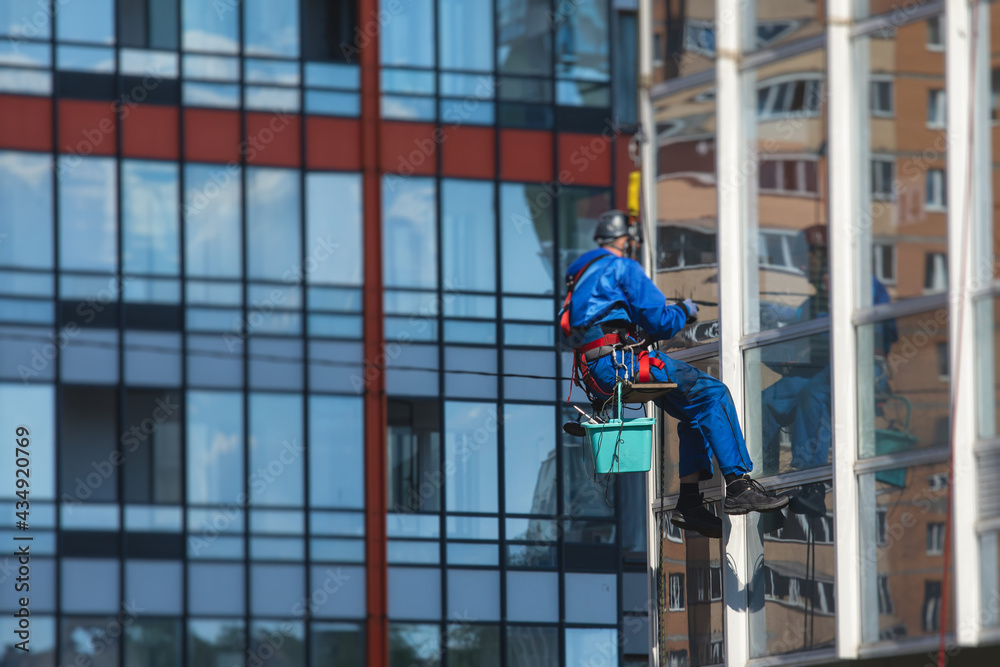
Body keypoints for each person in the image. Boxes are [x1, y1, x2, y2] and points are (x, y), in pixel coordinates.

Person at [561, 210, 788, 539]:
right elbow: (660, 321)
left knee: (695, 416)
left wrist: (626, 330)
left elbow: (578, 331)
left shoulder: (580, 279)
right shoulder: (622, 267)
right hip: (623, 365)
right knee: (714, 394)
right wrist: (685, 310)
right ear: (627, 240)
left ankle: (690, 503)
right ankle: (739, 485)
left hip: (598, 372)